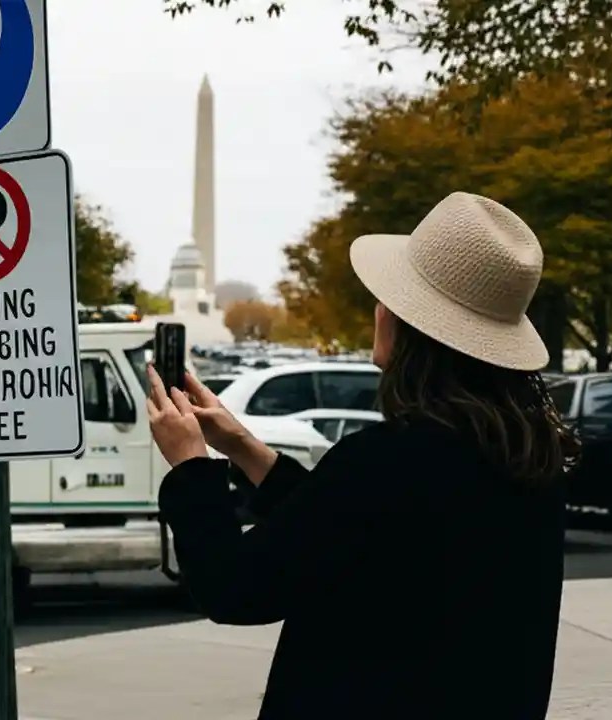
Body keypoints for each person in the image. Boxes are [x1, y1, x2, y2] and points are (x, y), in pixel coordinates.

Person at [148, 192, 580, 719]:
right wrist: (243, 447)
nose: (377, 308)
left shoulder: (386, 462)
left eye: (388, 297)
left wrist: (191, 465)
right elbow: (359, 533)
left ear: (409, 326)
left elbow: (236, 588)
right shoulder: (529, 460)